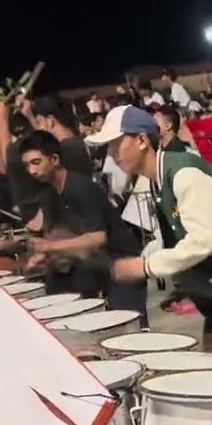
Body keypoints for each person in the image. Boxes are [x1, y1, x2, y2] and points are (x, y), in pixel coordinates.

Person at [87, 106, 212, 361]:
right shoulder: (158, 178)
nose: (111, 154)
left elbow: (203, 240)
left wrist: (145, 266)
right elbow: (171, 238)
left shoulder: (183, 172)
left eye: (116, 144)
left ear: (142, 140)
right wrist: (141, 260)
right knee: (211, 367)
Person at [15, 130, 145, 318]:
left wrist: (50, 247)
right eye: (27, 165)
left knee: (126, 327)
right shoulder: (48, 193)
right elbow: (62, 233)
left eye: (36, 162)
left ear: (54, 159)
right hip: (91, 264)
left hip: (121, 263)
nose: (31, 171)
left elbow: (97, 238)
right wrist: (41, 255)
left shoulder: (82, 188)